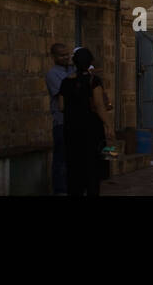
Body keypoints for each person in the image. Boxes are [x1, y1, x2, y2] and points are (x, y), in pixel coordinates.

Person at [59, 46, 115, 196]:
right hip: (91, 130)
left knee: (74, 168)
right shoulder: (93, 81)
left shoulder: (65, 82)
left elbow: (61, 106)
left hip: (71, 130)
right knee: (92, 169)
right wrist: (108, 125)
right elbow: (99, 106)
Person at [45, 43, 73, 195]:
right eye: (62, 55)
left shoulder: (72, 69)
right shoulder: (53, 74)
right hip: (61, 121)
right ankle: (60, 190)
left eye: (67, 54)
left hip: (75, 121)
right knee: (61, 159)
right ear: (54, 57)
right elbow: (65, 93)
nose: (66, 58)